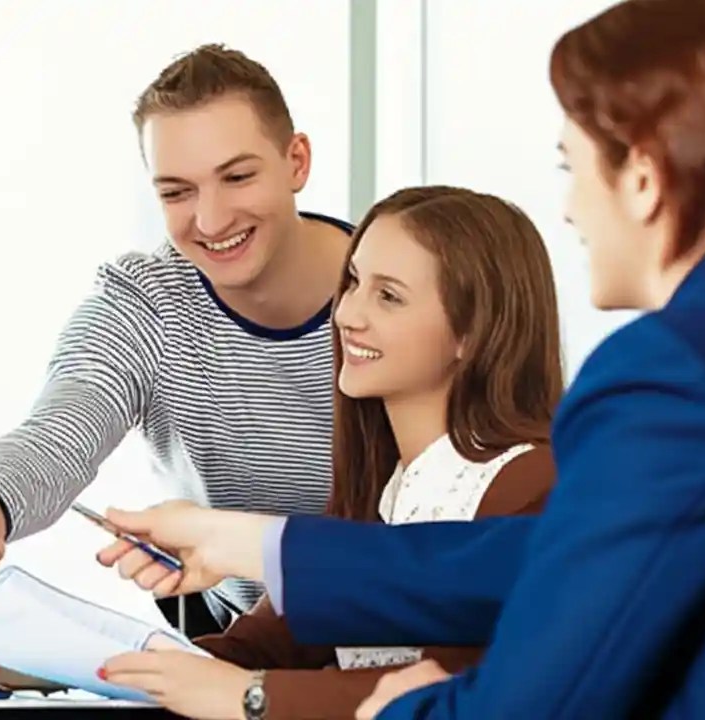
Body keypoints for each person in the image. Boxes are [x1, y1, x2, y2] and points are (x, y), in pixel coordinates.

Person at [99, 0, 705, 717]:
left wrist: (294, 701)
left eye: (571, 167)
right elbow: (534, 563)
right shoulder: (382, 487)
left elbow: (540, 689)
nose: (570, 210)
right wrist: (247, 547)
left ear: (643, 179)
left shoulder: (675, 372)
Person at [0, 44, 355, 698]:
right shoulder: (147, 302)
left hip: (405, 645)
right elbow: (60, 431)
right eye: (177, 191)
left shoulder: (395, 292)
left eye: (237, 177)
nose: (210, 219)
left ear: (297, 162)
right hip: (239, 656)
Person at [98, 185, 562, 719]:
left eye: (388, 296)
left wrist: (251, 696)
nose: (346, 314)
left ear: (474, 333)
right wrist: (61, 668)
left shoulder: (535, 484)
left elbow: (459, 693)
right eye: (353, 283)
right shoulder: (379, 493)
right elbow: (245, 653)